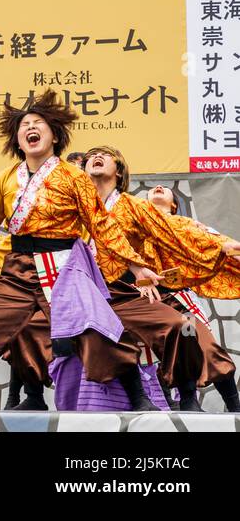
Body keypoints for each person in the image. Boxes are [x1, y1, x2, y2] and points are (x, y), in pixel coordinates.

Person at [0, 91, 161, 410]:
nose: (31, 128)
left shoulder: (73, 177)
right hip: (18, 269)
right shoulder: (5, 180)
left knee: (98, 326)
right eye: (24, 125)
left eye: (39, 123)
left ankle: (139, 398)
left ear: (54, 135)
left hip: (64, 266)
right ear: (18, 139)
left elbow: (102, 224)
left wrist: (136, 268)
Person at [81, 147, 206, 411]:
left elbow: (173, 231)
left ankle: (187, 396)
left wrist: (221, 245)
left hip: (125, 290)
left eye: (106, 154)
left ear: (120, 170)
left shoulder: (134, 205)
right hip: (82, 292)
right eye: (92, 155)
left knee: (183, 326)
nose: (97, 157)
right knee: (31, 328)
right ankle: (27, 395)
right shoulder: (74, 207)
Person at [144, 185, 240, 411]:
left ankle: (234, 406)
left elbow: (221, 245)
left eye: (166, 189)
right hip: (145, 304)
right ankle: (187, 401)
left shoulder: (189, 226)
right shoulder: (133, 226)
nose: (158, 187)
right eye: (154, 189)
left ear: (174, 205)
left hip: (179, 301)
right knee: (170, 353)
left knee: (206, 346)